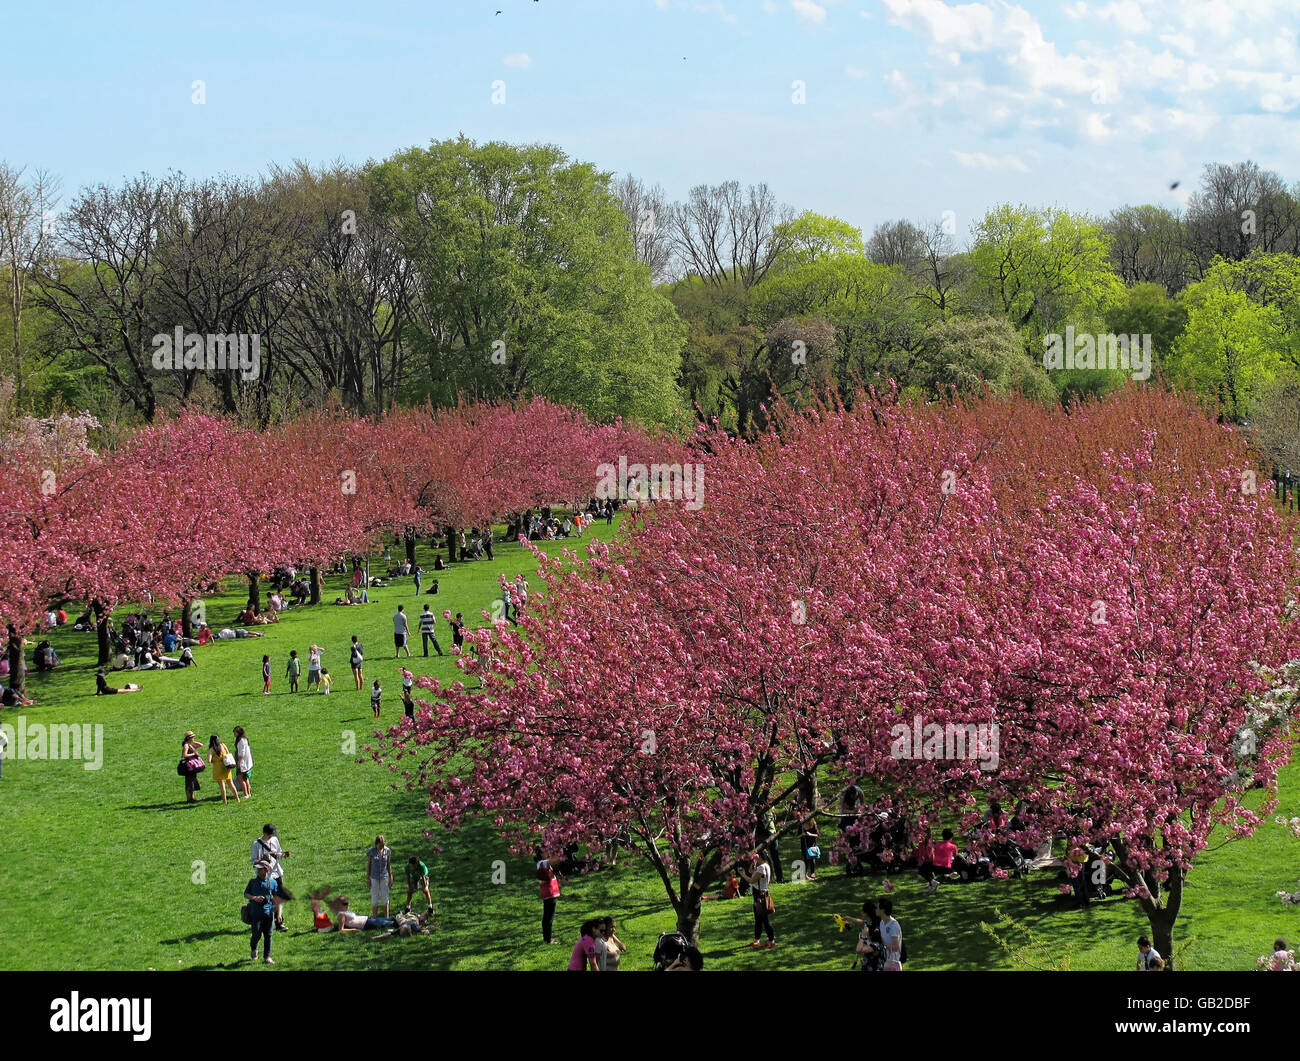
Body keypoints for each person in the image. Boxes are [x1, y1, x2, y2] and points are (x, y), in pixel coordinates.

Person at [252, 824, 292, 930]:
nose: (271, 836)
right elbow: (253, 861)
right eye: (269, 834)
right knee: (267, 899)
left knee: (278, 897)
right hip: (265, 875)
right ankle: (264, 921)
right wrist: (262, 859)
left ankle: (279, 922)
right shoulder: (256, 844)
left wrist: (284, 855)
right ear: (264, 833)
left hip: (276, 872)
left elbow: (278, 854)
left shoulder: (274, 840)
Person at [245, 860, 280, 963]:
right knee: (256, 934)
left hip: (269, 913)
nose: (258, 870)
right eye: (257, 868)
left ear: (266, 870)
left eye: (260, 868)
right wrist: (254, 898)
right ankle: (254, 948)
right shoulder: (252, 882)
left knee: (268, 935)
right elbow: (246, 894)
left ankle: (267, 957)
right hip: (256, 913)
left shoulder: (273, 882)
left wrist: (279, 913)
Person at [741, 854, 776, 949]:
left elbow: (752, 880)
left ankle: (771, 941)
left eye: (756, 857)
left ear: (760, 857)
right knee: (758, 920)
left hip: (760, 896)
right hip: (761, 894)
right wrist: (753, 865)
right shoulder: (765, 865)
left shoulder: (761, 868)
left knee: (765, 920)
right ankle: (757, 940)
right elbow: (751, 872)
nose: (754, 858)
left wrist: (743, 875)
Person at [536, 848, 563, 944]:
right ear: (540, 854)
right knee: (549, 917)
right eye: (545, 851)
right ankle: (548, 939)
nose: (547, 853)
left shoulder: (540, 864)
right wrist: (561, 850)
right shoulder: (543, 863)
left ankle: (546, 938)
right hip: (550, 893)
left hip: (547, 893)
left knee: (546, 917)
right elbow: (554, 860)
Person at [920, 828, 960, 894]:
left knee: (923, 868)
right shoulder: (953, 846)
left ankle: (932, 882)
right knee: (928, 866)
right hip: (947, 869)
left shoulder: (937, 845)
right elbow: (956, 857)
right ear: (951, 837)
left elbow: (933, 857)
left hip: (937, 868)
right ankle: (932, 884)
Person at [366, 835, 394, 917]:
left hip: (384, 876)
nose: (382, 846)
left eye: (383, 844)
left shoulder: (387, 851)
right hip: (374, 877)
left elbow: (389, 864)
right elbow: (369, 865)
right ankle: (375, 918)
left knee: (385, 897)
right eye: (380, 845)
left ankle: (386, 917)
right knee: (375, 897)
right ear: (376, 843)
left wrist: (391, 876)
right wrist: (368, 878)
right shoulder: (371, 851)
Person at [208, 734, 241, 805]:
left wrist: (215, 760)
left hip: (218, 769)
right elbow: (228, 754)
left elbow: (209, 760)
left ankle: (224, 801)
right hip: (226, 767)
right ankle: (237, 799)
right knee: (231, 784)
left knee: (222, 786)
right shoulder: (223, 745)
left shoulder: (211, 749)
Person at [877, 896, 903, 970]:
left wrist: (882, 943)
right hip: (884, 962)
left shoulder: (893, 925)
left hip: (893, 964)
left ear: (882, 910)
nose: (876, 910)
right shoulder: (882, 923)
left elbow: (895, 947)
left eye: (877, 908)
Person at [181, 731, 204, 803]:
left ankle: (192, 797)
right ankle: (189, 798)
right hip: (189, 766)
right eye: (192, 737)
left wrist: (193, 742)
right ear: (189, 738)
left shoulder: (190, 744)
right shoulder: (186, 745)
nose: (193, 738)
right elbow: (184, 755)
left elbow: (201, 745)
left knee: (192, 781)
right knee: (189, 782)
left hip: (192, 766)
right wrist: (193, 754)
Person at [234, 726, 253, 798]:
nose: (234, 733)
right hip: (247, 762)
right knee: (245, 778)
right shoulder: (245, 739)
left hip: (242, 762)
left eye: (235, 732)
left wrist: (239, 762)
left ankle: (246, 794)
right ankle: (249, 793)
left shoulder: (241, 741)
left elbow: (241, 753)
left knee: (240, 778)